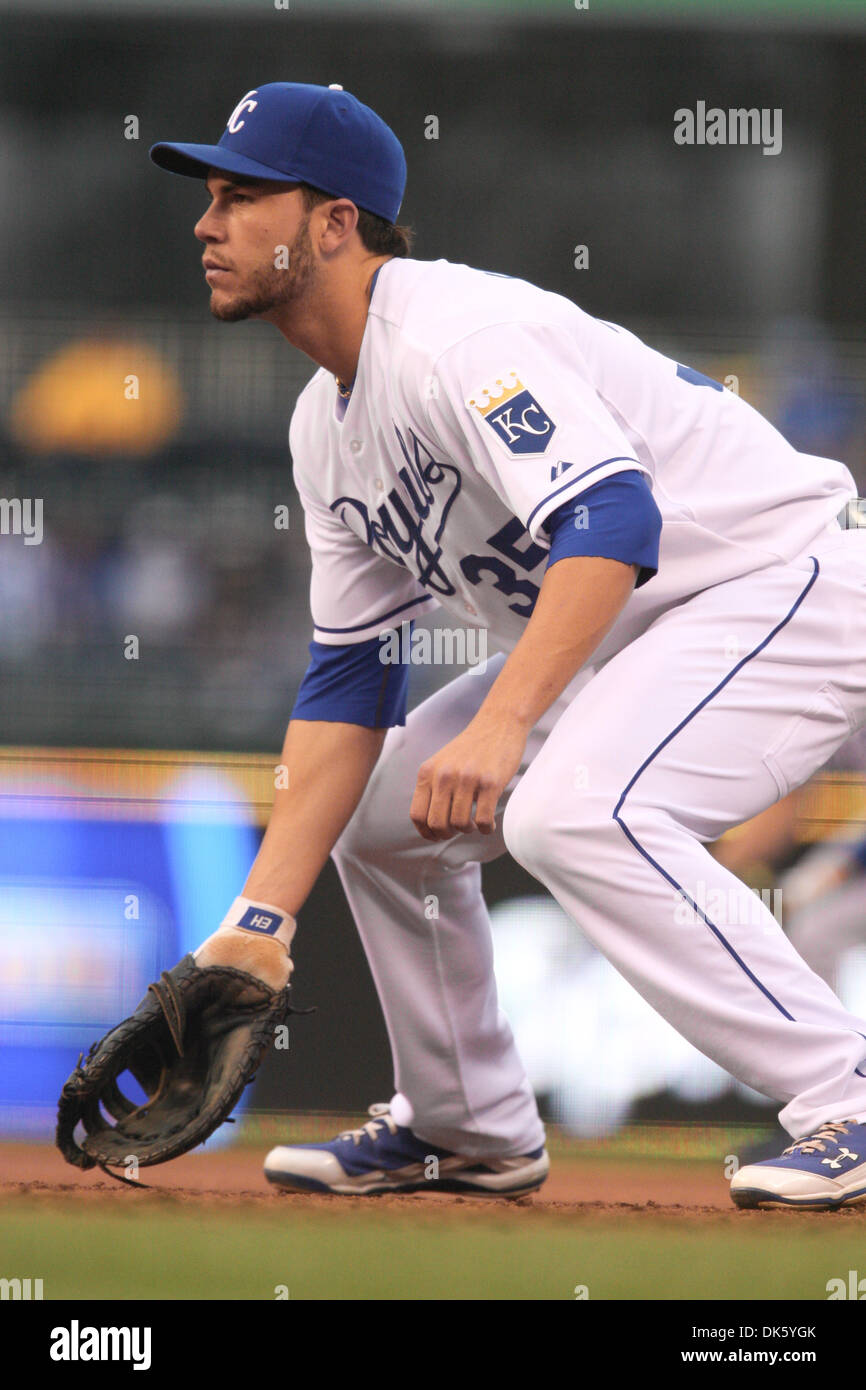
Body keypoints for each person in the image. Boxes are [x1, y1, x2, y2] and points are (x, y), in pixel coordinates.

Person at [151, 82, 866, 1209]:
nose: (207, 221)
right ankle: (465, 1124)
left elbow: (613, 519)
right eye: (208, 198)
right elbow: (349, 680)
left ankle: (847, 1096)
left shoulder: (452, 336)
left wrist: (501, 720)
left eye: (243, 196)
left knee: (572, 807)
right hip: (633, 635)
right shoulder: (323, 428)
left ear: (335, 222)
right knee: (386, 823)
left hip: (776, 586)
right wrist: (258, 920)